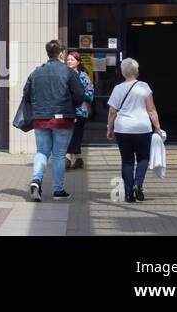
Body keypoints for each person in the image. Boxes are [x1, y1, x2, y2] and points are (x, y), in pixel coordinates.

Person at [24, 39, 85, 202]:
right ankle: (58, 190)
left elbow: (26, 94)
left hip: (40, 118)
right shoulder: (68, 72)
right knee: (58, 155)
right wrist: (74, 105)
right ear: (60, 54)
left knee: (42, 151)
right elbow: (80, 95)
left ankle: (36, 180)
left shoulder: (36, 72)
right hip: (63, 118)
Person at [106, 57, 164, 203]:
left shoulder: (118, 88)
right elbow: (151, 109)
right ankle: (138, 184)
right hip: (142, 128)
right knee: (143, 158)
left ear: (122, 72)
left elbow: (112, 111)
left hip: (122, 128)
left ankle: (128, 194)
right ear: (136, 71)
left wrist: (109, 128)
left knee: (127, 161)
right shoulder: (144, 86)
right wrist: (157, 127)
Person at [65, 50, 95, 170]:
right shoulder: (64, 74)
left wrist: (78, 95)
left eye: (72, 60)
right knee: (73, 135)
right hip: (66, 110)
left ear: (78, 62)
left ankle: (67, 158)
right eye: (68, 60)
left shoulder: (83, 76)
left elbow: (90, 93)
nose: (69, 62)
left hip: (80, 110)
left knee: (75, 134)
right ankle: (79, 159)